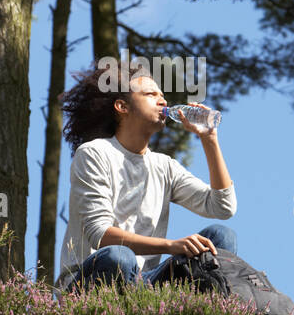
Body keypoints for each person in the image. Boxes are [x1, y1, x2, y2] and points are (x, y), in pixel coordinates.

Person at [56, 61, 237, 291]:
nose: (163, 101)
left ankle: (204, 312)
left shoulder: (164, 166)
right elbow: (100, 234)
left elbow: (223, 207)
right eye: (151, 94)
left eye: (162, 95)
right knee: (120, 257)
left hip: (145, 286)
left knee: (221, 237)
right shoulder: (94, 153)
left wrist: (209, 139)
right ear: (122, 106)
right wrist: (171, 246)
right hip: (92, 279)